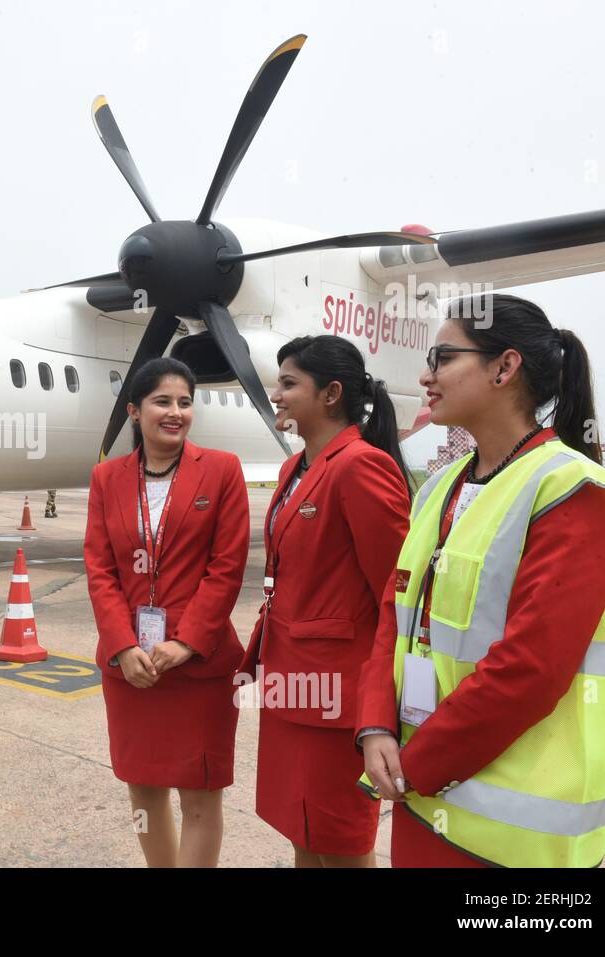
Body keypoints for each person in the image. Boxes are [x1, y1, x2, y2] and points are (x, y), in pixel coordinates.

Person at [358, 294, 605, 867]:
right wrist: (374, 727)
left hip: (510, 835)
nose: (424, 375)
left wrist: (419, 764)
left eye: (441, 356)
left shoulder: (573, 491)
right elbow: (395, 615)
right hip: (420, 799)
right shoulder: (440, 488)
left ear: (504, 368)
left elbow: (533, 667)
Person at [238, 336, 411, 867]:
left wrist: (382, 706)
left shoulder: (360, 466)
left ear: (331, 393)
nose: (277, 394)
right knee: (301, 831)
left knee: (339, 842)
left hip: (338, 697)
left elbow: (396, 592)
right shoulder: (297, 469)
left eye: (290, 383)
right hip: (293, 685)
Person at [85, 356, 250, 867]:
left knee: (200, 795)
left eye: (184, 402)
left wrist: (185, 642)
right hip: (132, 667)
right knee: (144, 792)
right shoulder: (107, 478)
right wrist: (122, 645)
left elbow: (226, 568)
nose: (175, 412)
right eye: (162, 402)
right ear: (135, 411)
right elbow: (100, 570)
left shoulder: (222, 471)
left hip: (198, 664)